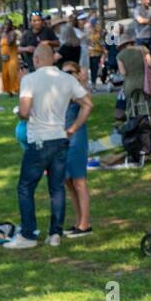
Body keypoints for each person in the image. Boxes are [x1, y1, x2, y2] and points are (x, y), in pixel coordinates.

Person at [4, 43, 92, 250]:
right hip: (60, 139)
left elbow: (25, 112)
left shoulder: (29, 79)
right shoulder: (67, 79)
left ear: (35, 59)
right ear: (53, 58)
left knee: (25, 187)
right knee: (56, 188)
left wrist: (19, 110)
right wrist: (74, 127)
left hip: (40, 141)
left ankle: (28, 234)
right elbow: (88, 104)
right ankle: (55, 233)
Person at [60, 61, 92, 237]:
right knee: (69, 182)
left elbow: (88, 105)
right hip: (64, 139)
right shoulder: (65, 90)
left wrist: (73, 128)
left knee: (79, 181)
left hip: (76, 139)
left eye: (70, 72)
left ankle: (85, 224)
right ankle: (78, 221)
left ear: (78, 74)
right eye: (63, 72)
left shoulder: (80, 91)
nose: (67, 75)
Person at [0, 21, 20, 96]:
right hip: (4, 57)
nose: (6, 26)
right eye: (5, 24)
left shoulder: (12, 33)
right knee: (5, 74)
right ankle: (8, 91)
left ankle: (16, 89)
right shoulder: (2, 34)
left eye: (8, 25)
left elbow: (9, 42)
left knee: (12, 73)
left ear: (11, 26)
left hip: (12, 55)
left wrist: (6, 33)